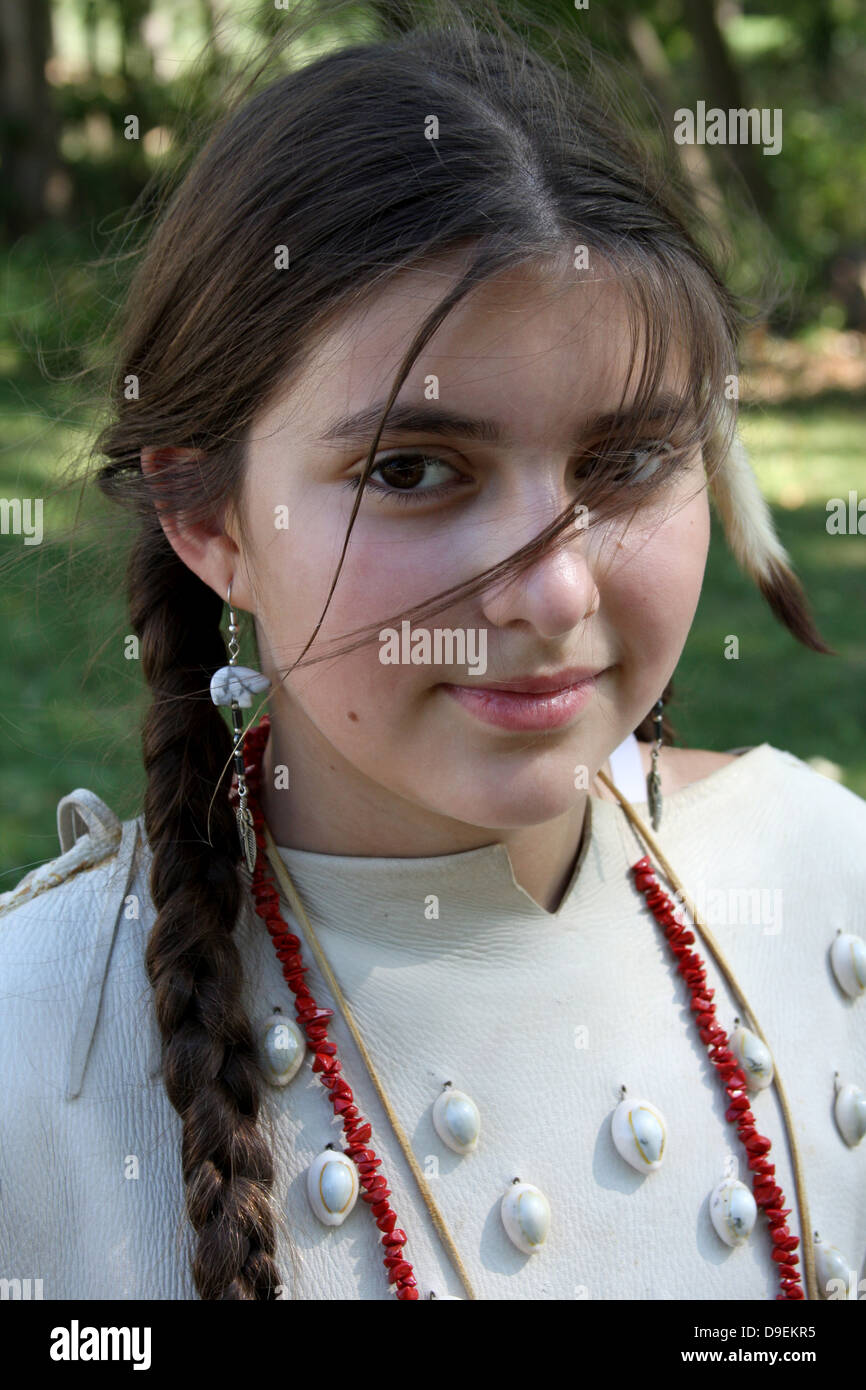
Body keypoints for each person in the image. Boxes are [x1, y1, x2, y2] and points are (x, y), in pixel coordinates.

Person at [1, 0, 864, 1303]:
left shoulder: (825, 889)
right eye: (411, 468)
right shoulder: (37, 1055)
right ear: (206, 515)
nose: (554, 584)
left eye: (624, 461)